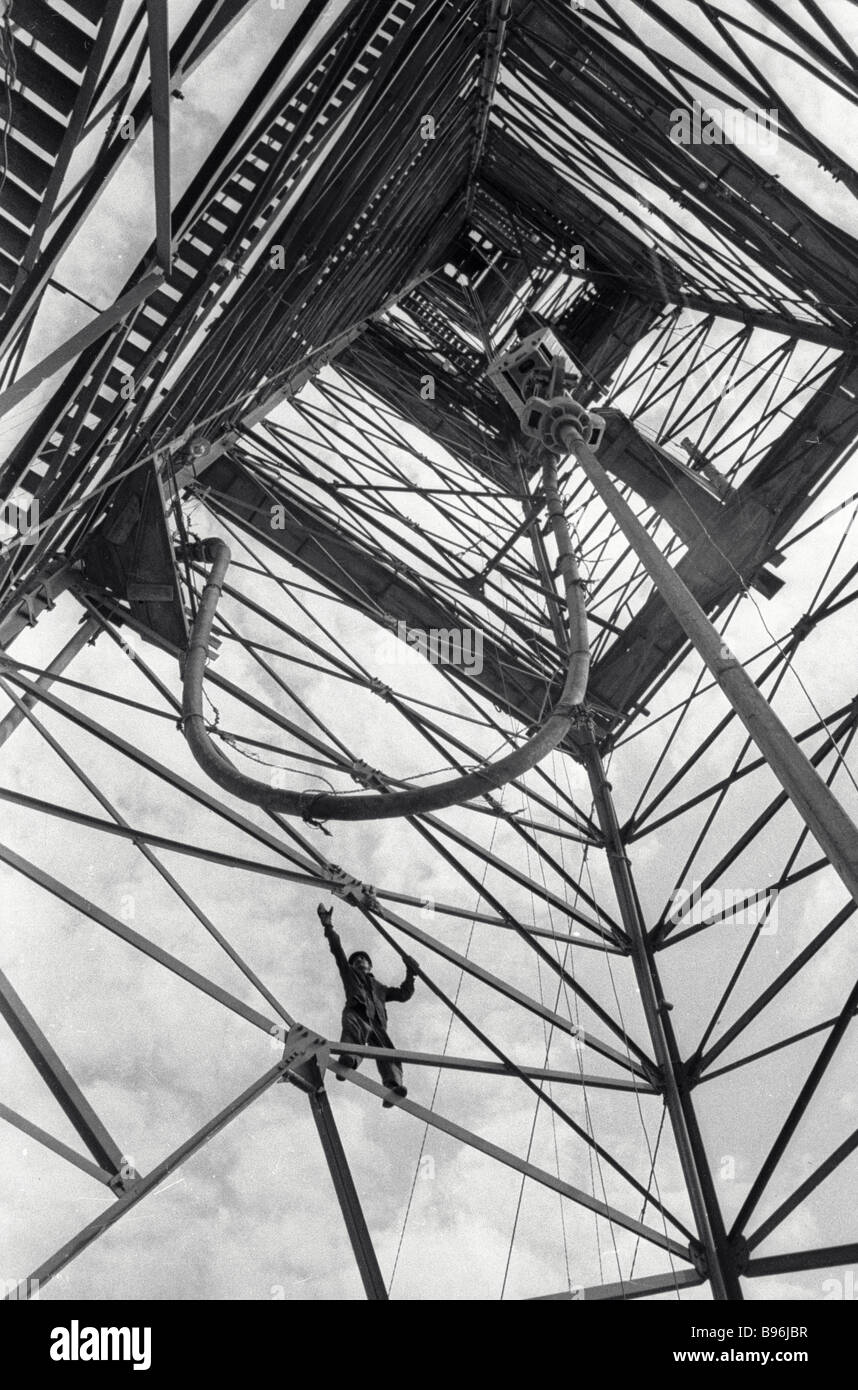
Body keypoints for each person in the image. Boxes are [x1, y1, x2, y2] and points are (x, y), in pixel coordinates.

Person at [318, 903, 418, 1108]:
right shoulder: (350, 973)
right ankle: (348, 1059)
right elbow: (337, 950)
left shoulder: (379, 988)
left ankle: (392, 1086)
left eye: (364, 959)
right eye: (357, 959)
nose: (360, 960)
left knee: (388, 1052)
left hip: (378, 1023)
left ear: (370, 966)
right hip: (357, 1012)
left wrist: (411, 973)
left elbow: (403, 994)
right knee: (354, 1034)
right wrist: (328, 926)